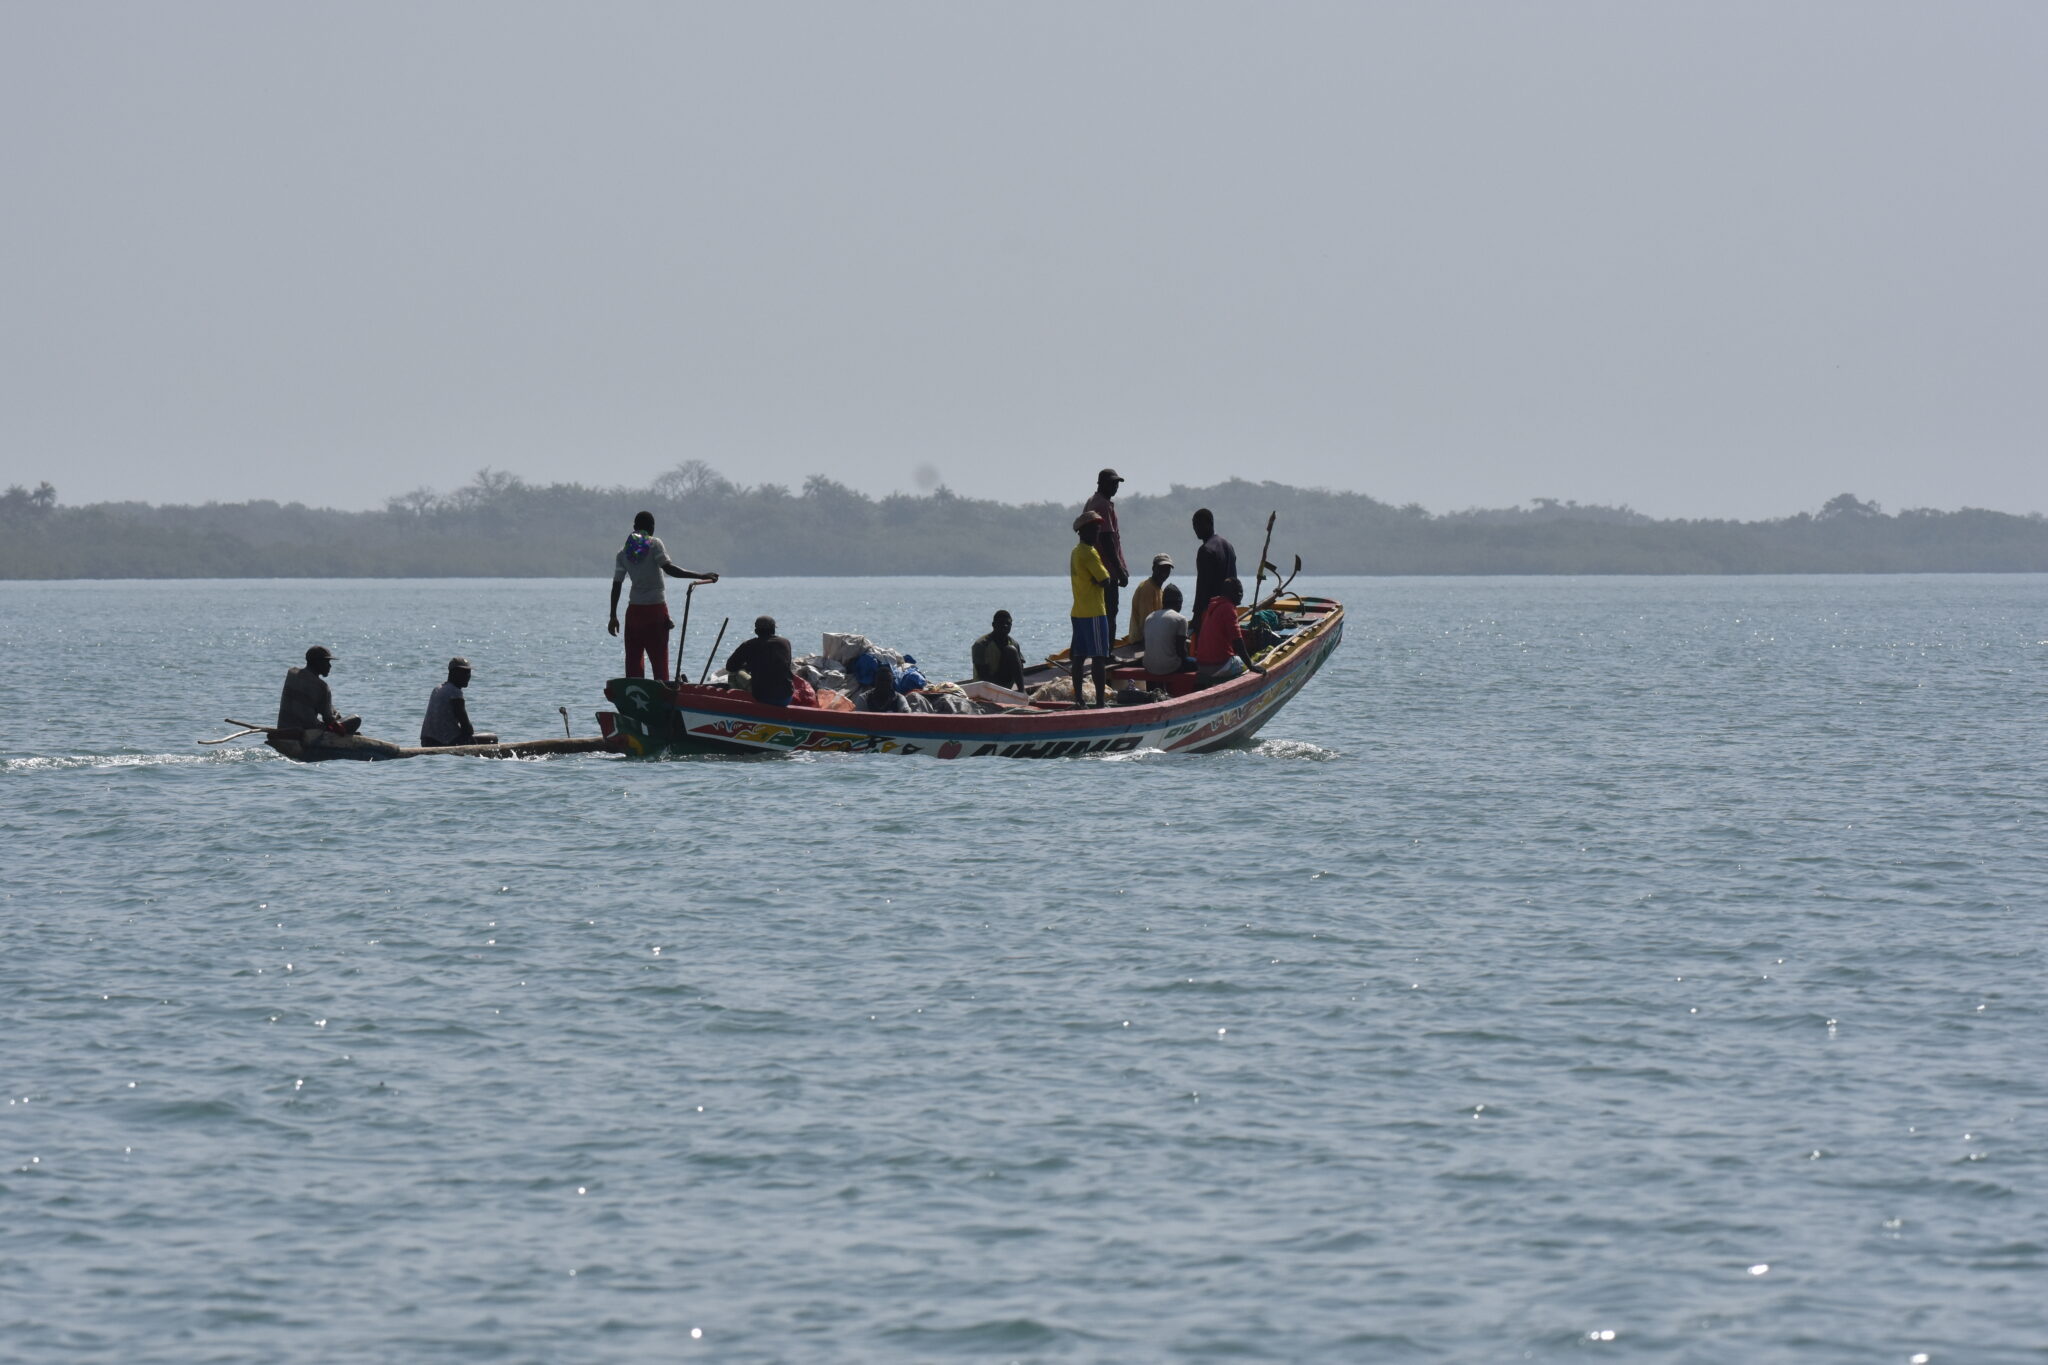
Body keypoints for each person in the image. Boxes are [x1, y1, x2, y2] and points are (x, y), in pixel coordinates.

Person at [606, 511, 718, 679]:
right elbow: (669, 569)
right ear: (652, 528)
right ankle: (662, 693)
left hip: (634, 612)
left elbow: (617, 584)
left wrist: (613, 616)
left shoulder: (623, 553)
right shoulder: (654, 544)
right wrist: (701, 576)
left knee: (633, 659)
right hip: (655, 610)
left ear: (634, 527)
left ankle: (635, 690)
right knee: (659, 658)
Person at [1069, 510, 1113, 707]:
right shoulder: (1089, 552)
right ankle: (1100, 702)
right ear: (1084, 531)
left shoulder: (1075, 551)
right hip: (1094, 611)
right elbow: (1105, 580)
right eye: (1094, 530)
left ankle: (1079, 698)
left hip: (1078, 611)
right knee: (1099, 657)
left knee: (1078, 656)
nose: (1097, 534)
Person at [1194, 576, 1265, 685]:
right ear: (1232, 594)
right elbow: (1237, 642)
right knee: (1248, 662)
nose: (1241, 595)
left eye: (1241, 592)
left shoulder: (1213, 606)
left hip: (1202, 666)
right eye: (1238, 592)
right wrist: (1251, 665)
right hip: (1220, 666)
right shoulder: (1229, 608)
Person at [1083, 468, 1129, 630]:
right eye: (1112, 483)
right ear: (1101, 484)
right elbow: (1107, 539)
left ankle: (1099, 650)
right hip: (1106, 571)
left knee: (1098, 613)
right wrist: (1119, 569)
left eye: (1117, 483)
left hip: (1095, 569)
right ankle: (1106, 653)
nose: (1115, 486)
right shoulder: (1102, 504)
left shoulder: (1092, 501)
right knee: (1110, 612)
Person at [277, 645, 360, 736]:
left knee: (334, 712)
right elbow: (328, 719)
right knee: (356, 719)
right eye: (326, 662)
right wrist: (344, 731)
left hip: (283, 727)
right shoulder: (322, 687)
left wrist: (334, 714)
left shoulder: (291, 673)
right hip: (307, 732)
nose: (329, 666)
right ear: (317, 662)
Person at [419, 656, 497, 747]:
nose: (467, 676)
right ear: (453, 673)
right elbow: (466, 727)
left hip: (426, 742)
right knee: (493, 738)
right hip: (444, 742)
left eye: (469, 672)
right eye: (464, 673)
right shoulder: (454, 692)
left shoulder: (437, 689)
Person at [723, 615, 795, 706]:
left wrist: (746, 666)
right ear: (773, 630)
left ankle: (736, 704)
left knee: (735, 672)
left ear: (756, 631)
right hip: (786, 697)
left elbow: (730, 666)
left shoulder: (748, 645)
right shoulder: (785, 643)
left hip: (763, 698)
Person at [1189, 507, 1238, 637]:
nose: (1195, 529)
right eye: (1194, 525)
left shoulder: (1206, 550)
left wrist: (1196, 617)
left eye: (1199, 524)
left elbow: (1202, 587)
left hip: (1213, 611)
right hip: (1230, 608)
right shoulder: (1229, 546)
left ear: (1210, 523)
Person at [1142, 584, 1195, 679]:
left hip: (1149, 666)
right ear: (1179, 603)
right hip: (1169, 667)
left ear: (1163, 602)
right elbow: (1181, 651)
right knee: (1198, 664)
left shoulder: (1149, 617)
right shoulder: (1180, 619)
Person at [971, 610, 1027, 690]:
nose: (1005, 626)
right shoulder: (981, 645)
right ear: (993, 625)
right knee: (1010, 650)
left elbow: (1019, 668)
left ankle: (1022, 692)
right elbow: (983, 676)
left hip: (1005, 686)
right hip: (985, 687)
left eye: (1008, 624)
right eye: (1001, 623)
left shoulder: (1014, 644)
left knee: (1011, 650)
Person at [1126, 552, 1172, 641]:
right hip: (1141, 641)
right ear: (1153, 568)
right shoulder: (1147, 588)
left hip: (1151, 638)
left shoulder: (1158, 589)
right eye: (1161, 568)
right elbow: (1146, 622)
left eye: (1167, 569)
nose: (1164, 572)